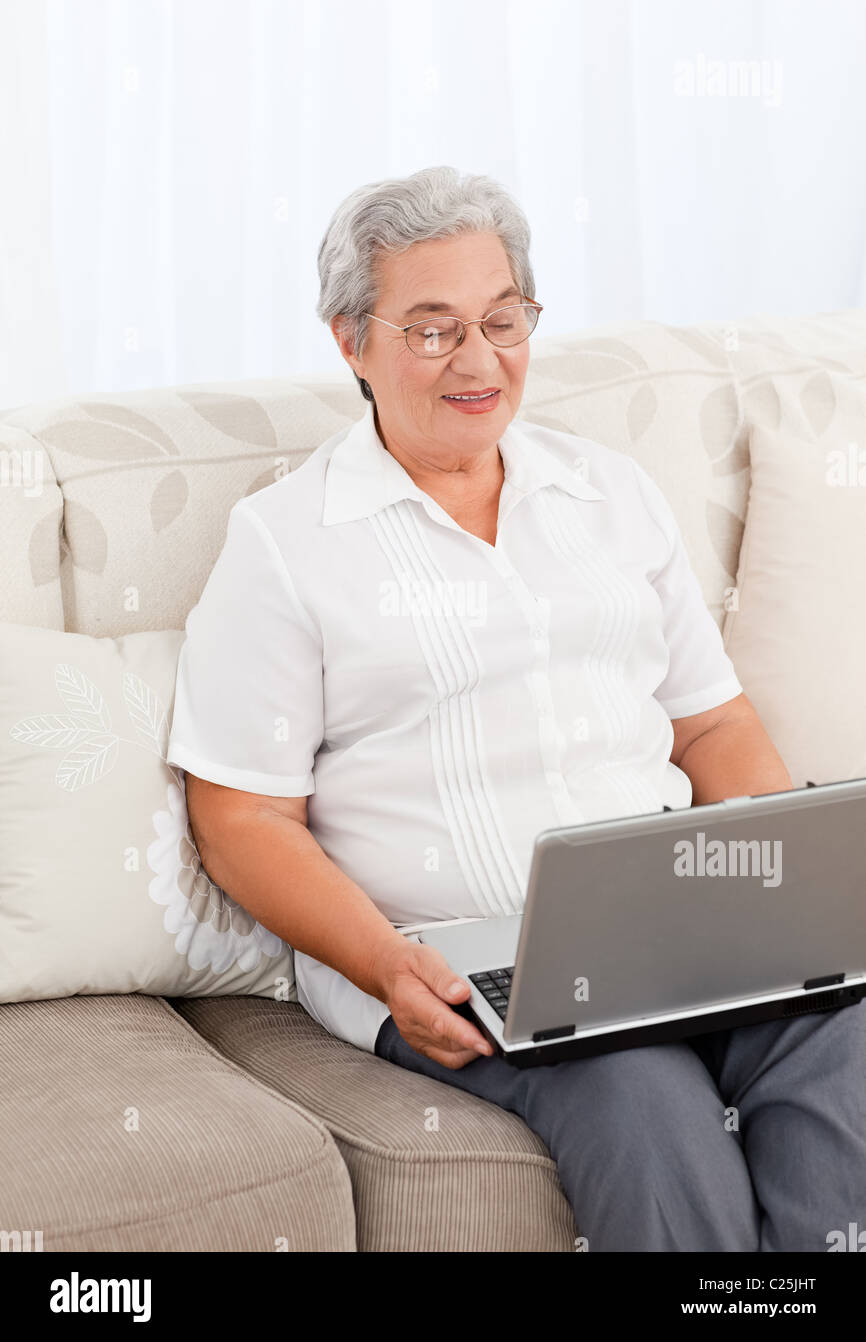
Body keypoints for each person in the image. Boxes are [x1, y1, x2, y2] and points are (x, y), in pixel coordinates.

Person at [166, 164, 866, 1251]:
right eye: (434, 330)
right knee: (644, 1104)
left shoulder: (609, 493)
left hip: (669, 925)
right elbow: (242, 818)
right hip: (447, 962)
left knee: (846, 1035)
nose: (480, 360)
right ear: (351, 341)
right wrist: (388, 966)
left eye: (502, 320)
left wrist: (780, 908)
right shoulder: (285, 544)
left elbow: (709, 724)